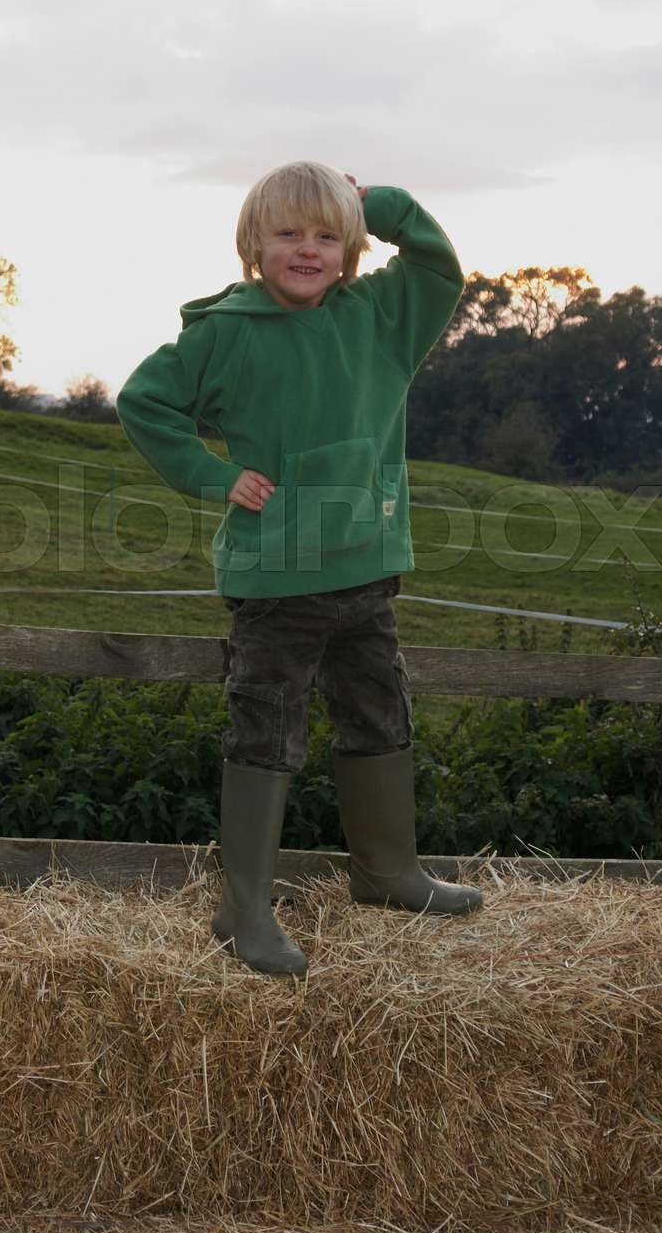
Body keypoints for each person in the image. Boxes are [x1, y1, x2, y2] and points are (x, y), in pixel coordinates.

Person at [116, 160, 483, 977]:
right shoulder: (225, 330)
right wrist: (213, 476)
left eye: (328, 235)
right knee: (267, 732)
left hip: (367, 569)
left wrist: (373, 201)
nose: (309, 250)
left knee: (380, 716)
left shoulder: (381, 316)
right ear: (255, 244)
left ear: (351, 247)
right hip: (275, 583)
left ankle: (386, 872)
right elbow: (144, 402)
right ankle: (242, 908)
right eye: (289, 233)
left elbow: (437, 265)